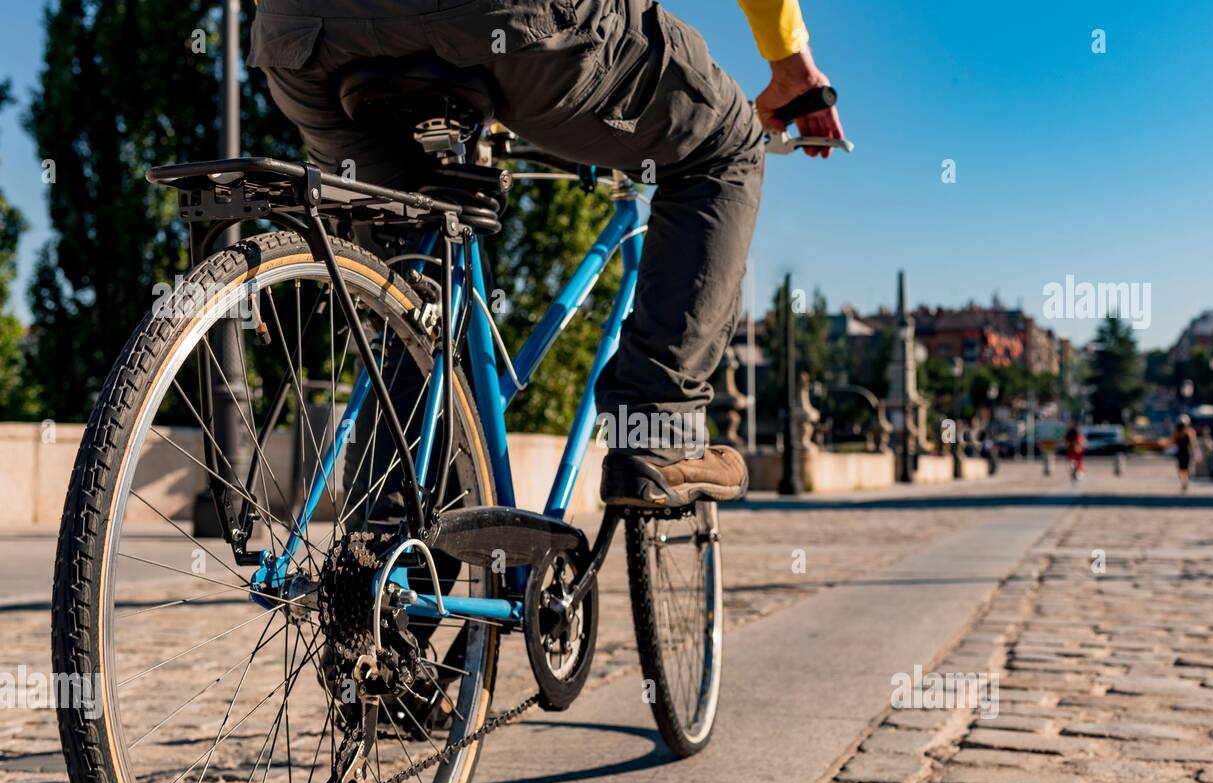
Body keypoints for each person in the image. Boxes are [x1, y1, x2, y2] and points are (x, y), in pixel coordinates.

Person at [248, 0, 845, 508]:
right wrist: (792, 65)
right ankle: (659, 429)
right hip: (503, 20)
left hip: (303, 35)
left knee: (409, 300)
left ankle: (387, 576)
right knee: (725, 143)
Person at [1171, 415, 1198, 492]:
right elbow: (1173, 441)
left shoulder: (1190, 432)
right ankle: (1183, 481)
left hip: (1187, 452)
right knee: (1180, 469)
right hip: (1180, 452)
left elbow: (1193, 443)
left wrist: (1196, 452)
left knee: (1186, 469)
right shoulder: (1177, 433)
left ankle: (1185, 482)